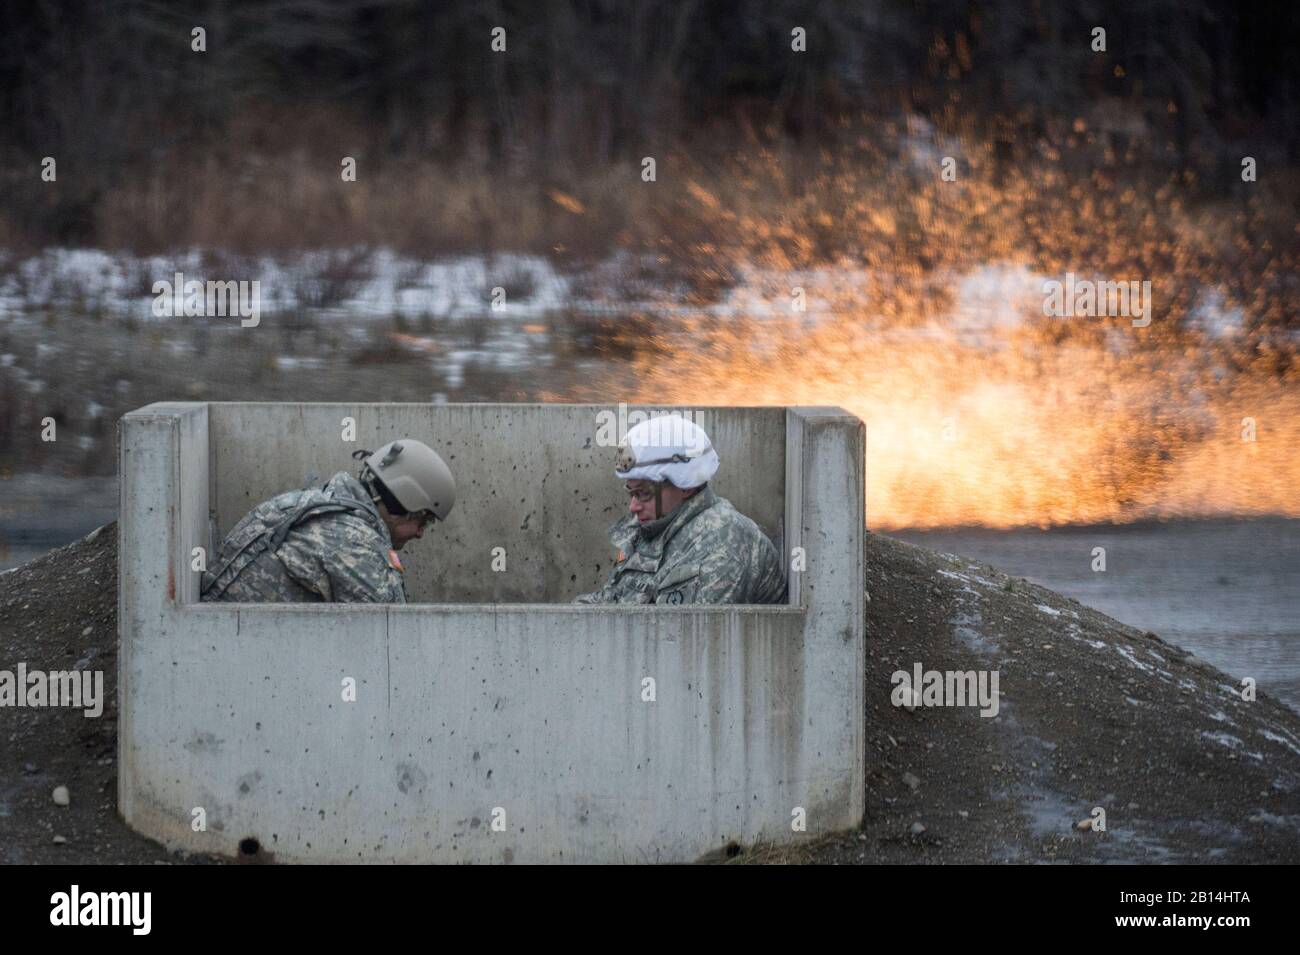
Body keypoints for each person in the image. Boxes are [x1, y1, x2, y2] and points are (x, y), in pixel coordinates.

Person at [200, 439, 454, 603]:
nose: (420, 534)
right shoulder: (354, 542)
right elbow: (393, 638)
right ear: (403, 504)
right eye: (423, 521)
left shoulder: (308, 502)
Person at [575, 414, 786, 605]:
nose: (633, 507)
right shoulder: (657, 526)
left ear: (686, 486)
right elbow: (609, 599)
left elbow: (681, 641)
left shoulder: (722, 549)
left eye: (644, 493)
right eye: (631, 493)